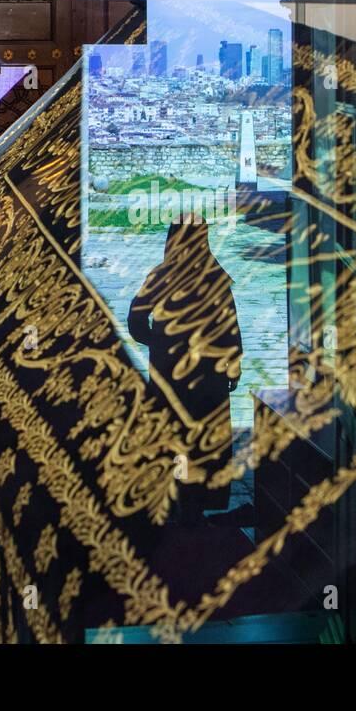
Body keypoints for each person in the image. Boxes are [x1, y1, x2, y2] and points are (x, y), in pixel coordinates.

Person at [128, 213, 242, 523]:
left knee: (175, 435)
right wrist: (234, 367)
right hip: (209, 380)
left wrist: (160, 344)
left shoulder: (159, 276)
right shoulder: (215, 277)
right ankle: (198, 501)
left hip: (170, 379)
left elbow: (135, 321)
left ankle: (175, 497)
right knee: (205, 440)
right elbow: (231, 327)